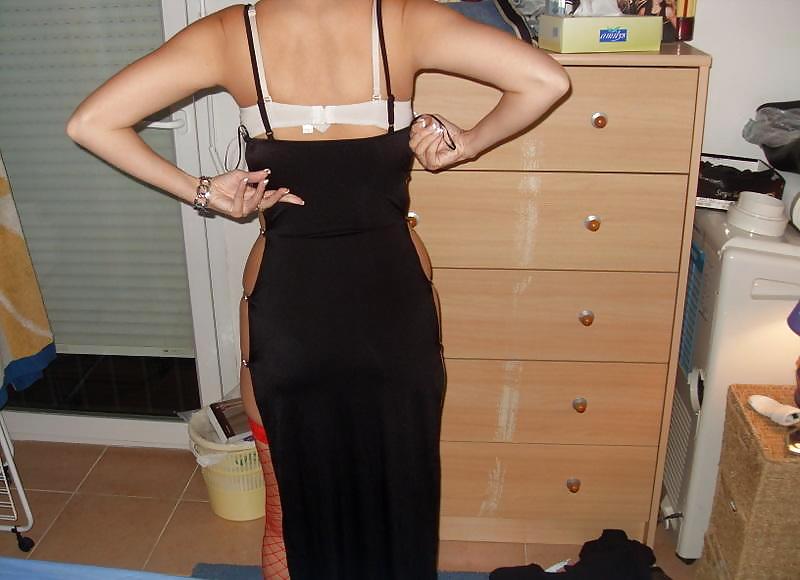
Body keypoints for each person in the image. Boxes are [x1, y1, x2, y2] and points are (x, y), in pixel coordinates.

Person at [66, 1, 569, 578]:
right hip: (393, 310)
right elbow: (546, 80)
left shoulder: (230, 34)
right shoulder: (406, 20)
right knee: (399, 501)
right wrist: (469, 142)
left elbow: (91, 122)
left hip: (289, 314)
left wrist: (205, 192)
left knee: (290, 513)